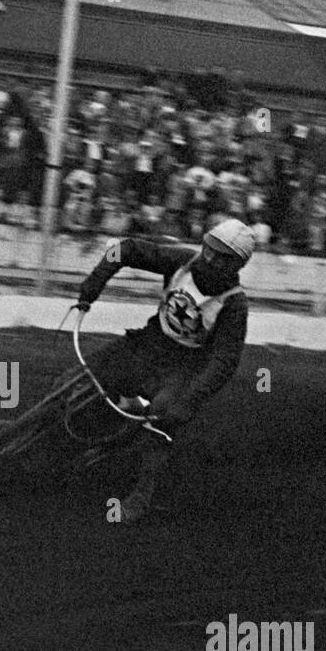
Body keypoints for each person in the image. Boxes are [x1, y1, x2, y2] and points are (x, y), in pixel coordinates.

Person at [73, 218, 255, 523]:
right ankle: (24, 425)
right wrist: (90, 289)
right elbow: (127, 249)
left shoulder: (234, 305)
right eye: (208, 248)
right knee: (81, 379)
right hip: (146, 344)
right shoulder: (183, 261)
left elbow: (224, 361)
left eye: (221, 257)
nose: (208, 258)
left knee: (161, 423)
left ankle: (142, 494)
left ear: (236, 265)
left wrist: (189, 401)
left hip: (182, 368)